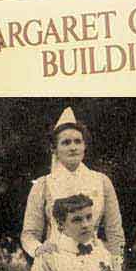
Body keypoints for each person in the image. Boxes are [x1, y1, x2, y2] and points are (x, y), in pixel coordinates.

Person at [20, 107, 125, 260]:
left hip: (94, 259)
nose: (73, 147)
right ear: (54, 149)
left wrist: (116, 263)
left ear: (84, 146)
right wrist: (39, 250)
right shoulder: (43, 185)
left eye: (78, 141)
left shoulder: (101, 181)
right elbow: (29, 234)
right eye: (66, 143)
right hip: (56, 260)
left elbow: (115, 231)